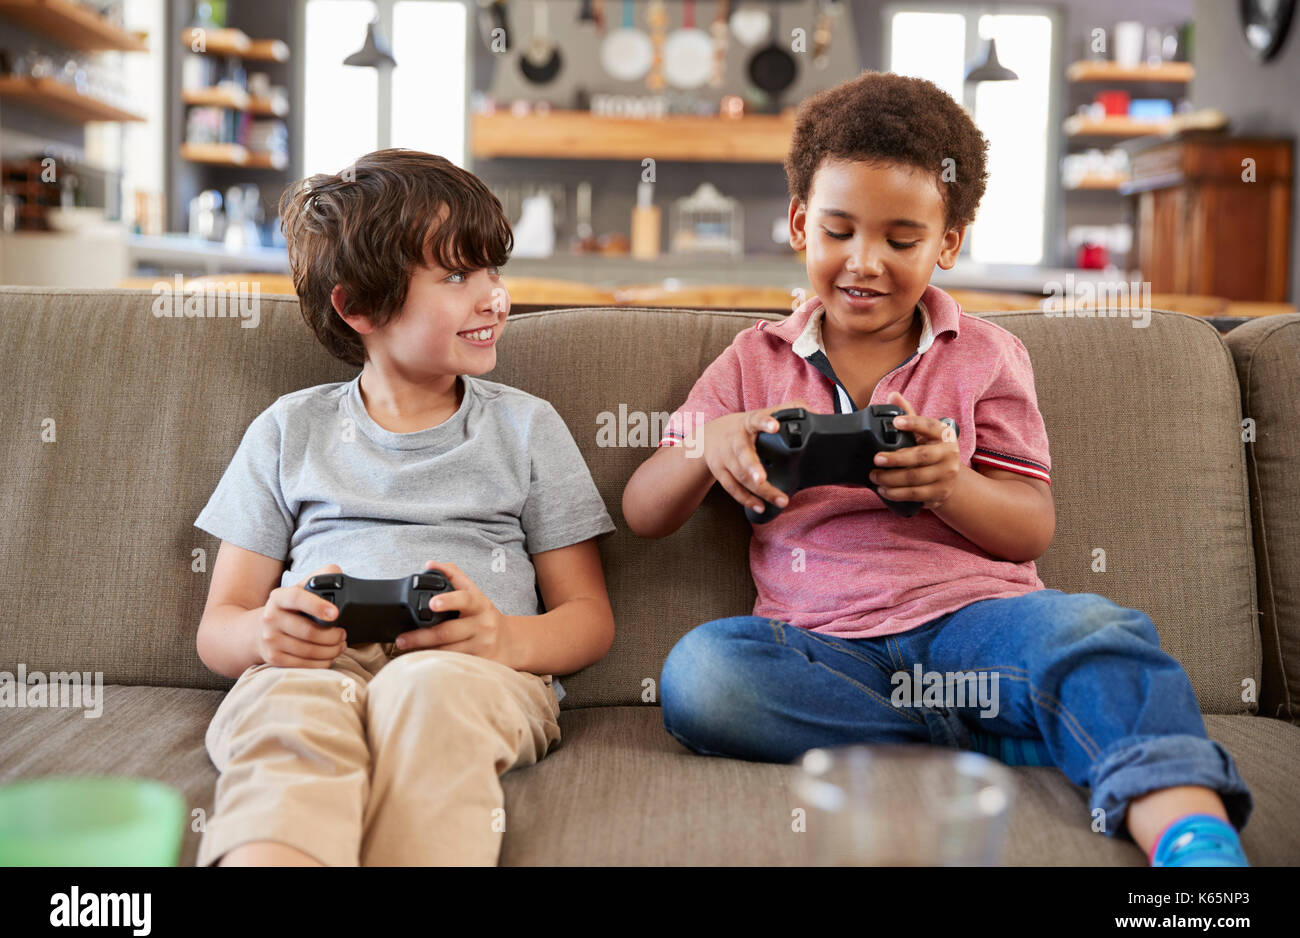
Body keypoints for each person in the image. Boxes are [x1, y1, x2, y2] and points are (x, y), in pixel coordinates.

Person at [621, 72, 1251, 867]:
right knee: (703, 675)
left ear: (948, 242)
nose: (865, 262)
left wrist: (952, 485)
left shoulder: (987, 357)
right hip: (825, 646)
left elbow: (1031, 526)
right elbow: (644, 511)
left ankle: (1191, 836)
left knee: (1094, 630)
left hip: (975, 622)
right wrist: (706, 445)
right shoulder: (756, 359)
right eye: (839, 230)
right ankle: (1000, 734)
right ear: (798, 225)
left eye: (901, 239)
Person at [193, 148, 616, 866]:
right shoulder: (288, 429)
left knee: (428, 694)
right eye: (456, 276)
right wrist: (269, 637)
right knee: (291, 711)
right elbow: (219, 626)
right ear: (358, 305)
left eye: (493, 271)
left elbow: (589, 619)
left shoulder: (527, 426)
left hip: (473, 674)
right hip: (314, 670)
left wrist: (503, 641)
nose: (495, 298)